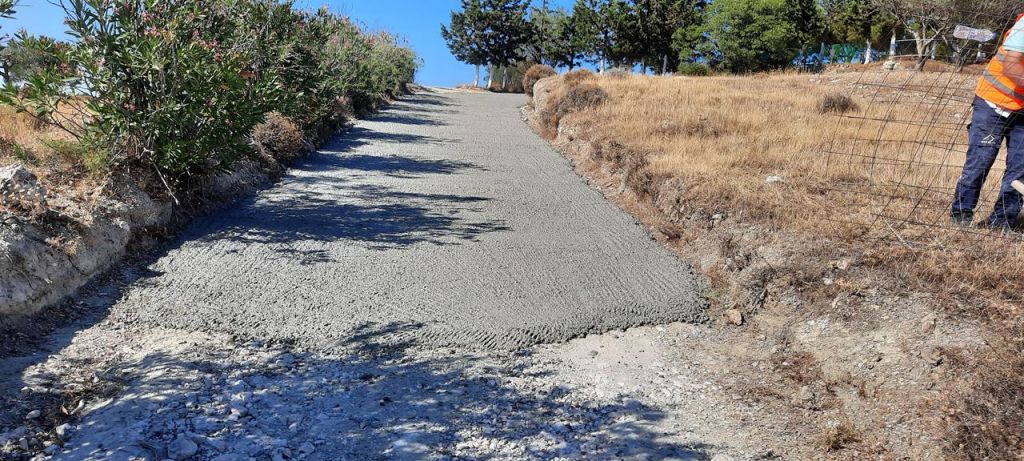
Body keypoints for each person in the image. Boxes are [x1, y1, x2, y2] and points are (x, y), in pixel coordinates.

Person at [952, 13, 1024, 230]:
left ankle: (1002, 222)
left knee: (1020, 169)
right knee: (980, 161)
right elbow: (1010, 64)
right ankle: (961, 214)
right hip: (993, 102)